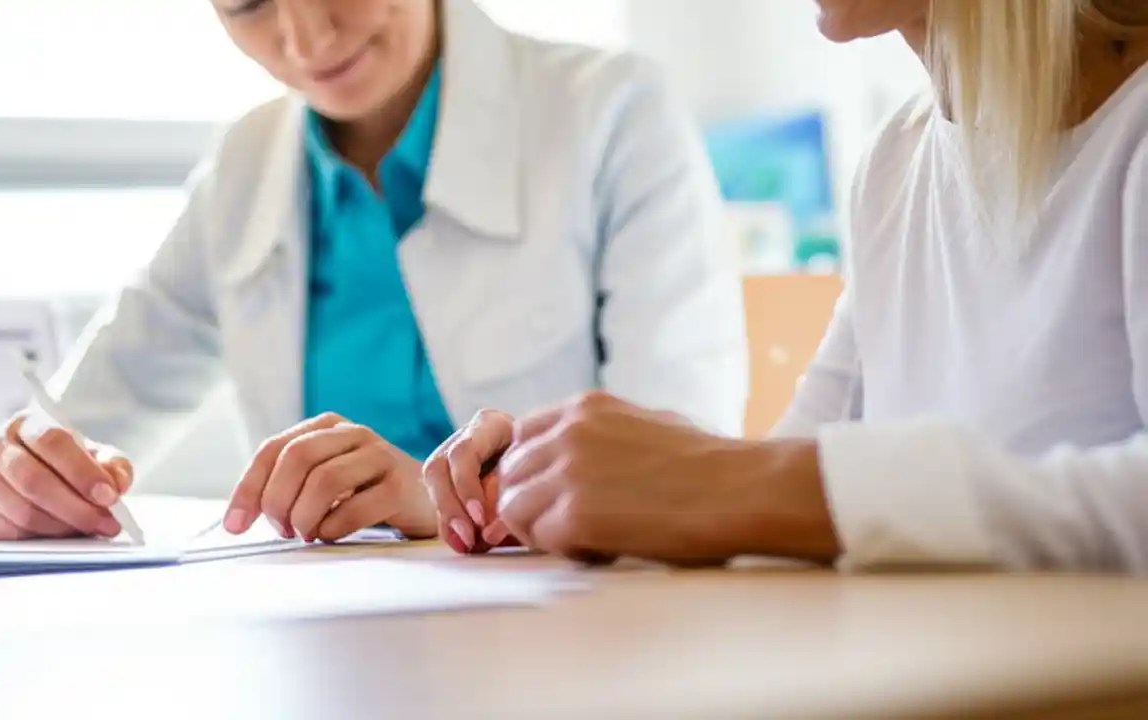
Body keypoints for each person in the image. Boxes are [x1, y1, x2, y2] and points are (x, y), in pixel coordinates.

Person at [0, 0, 747, 548]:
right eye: (248, 0)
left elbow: (680, 458)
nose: (307, 38)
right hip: (328, 660)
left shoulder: (613, 110)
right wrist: (13, 483)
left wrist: (449, 507)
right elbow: (81, 416)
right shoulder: (245, 167)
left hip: (584, 647)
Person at [427, 0, 1148, 571]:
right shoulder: (896, 163)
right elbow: (785, 475)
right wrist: (542, 479)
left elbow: (781, 488)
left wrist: (716, 482)